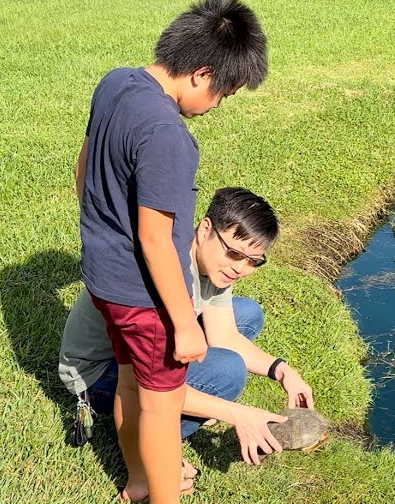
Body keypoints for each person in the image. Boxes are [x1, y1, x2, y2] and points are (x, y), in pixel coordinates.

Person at [76, 0, 267, 504]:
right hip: (144, 293)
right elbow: (158, 238)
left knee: (132, 381)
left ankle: (139, 478)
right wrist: (184, 322)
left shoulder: (116, 84)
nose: (219, 103)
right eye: (224, 93)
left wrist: (98, 229)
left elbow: (85, 166)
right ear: (202, 73)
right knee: (161, 398)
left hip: (104, 276)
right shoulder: (169, 137)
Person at [59, 187, 315, 470]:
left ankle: (188, 408)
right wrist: (239, 414)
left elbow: (225, 335)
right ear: (206, 229)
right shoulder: (170, 273)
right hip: (100, 375)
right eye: (233, 253)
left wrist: (282, 370)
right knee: (229, 371)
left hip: (139, 351)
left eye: (253, 261)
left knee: (246, 314)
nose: (240, 268)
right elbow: (151, 381)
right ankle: (150, 444)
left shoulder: (214, 267)